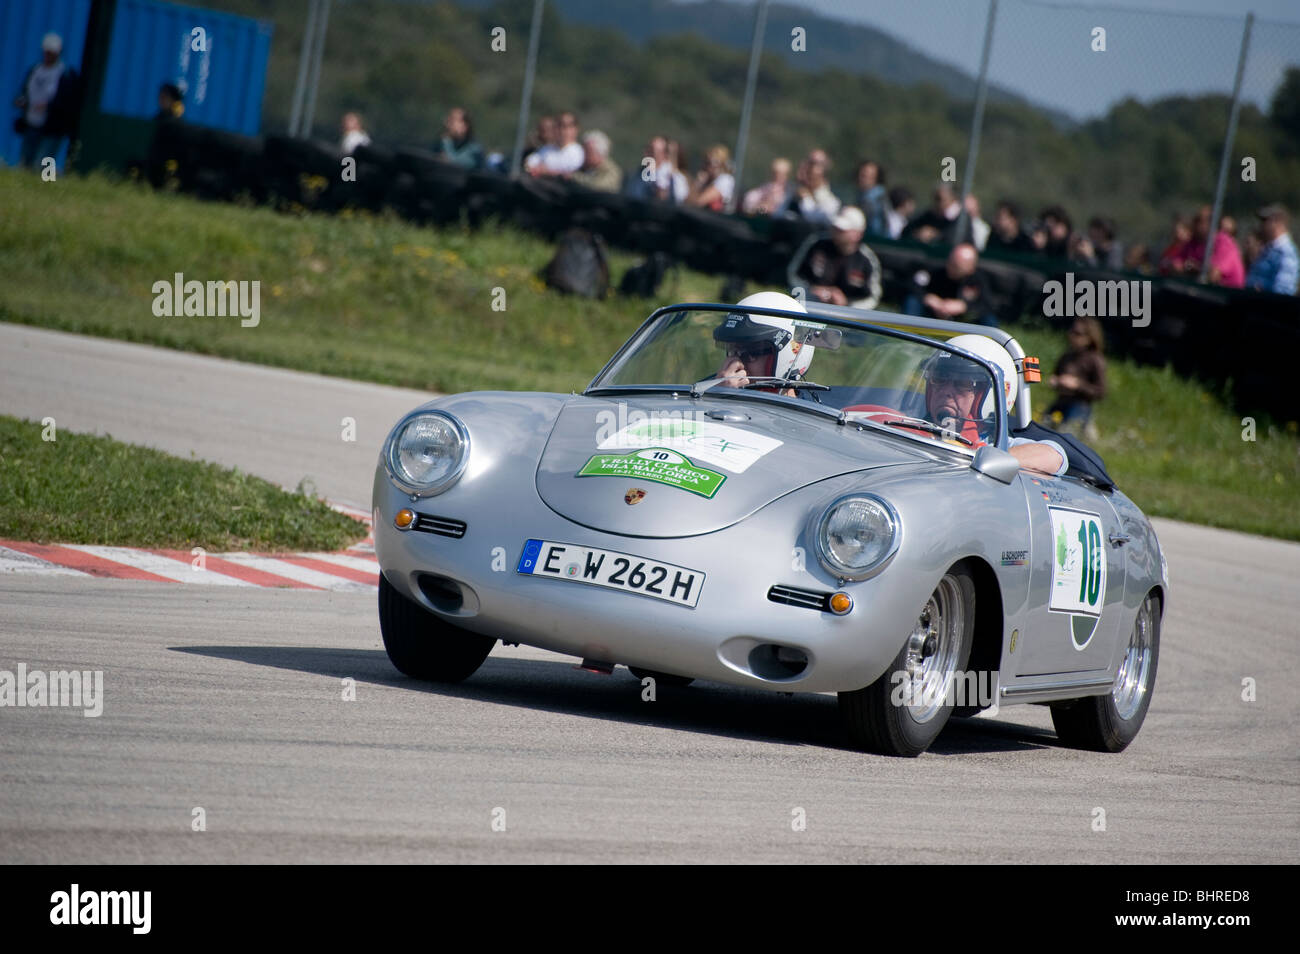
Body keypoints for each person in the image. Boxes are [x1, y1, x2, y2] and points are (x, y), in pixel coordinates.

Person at [922, 335, 1067, 476]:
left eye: (962, 384)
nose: (946, 392)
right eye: (939, 379)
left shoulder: (996, 444)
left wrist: (979, 455)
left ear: (989, 396)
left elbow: (1055, 456)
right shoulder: (912, 426)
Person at [711, 292, 814, 397]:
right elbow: (697, 414)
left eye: (751, 352)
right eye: (733, 351)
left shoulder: (800, 413)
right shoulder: (712, 387)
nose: (736, 364)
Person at [12, 32, 80, 170]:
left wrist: (49, 106)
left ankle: (47, 186)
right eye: (47, 52)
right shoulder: (35, 70)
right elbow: (25, 92)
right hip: (32, 123)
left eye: (52, 53)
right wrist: (22, 101)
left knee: (43, 165)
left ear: (58, 53)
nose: (48, 55)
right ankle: (26, 190)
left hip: (53, 128)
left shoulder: (66, 74)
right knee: (25, 164)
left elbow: (70, 103)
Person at [794, 206, 882, 309]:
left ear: (858, 234)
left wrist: (846, 303)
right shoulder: (817, 244)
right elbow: (795, 275)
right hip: (809, 307)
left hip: (846, 318)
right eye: (835, 227)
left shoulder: (867, 260)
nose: (836, 231)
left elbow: (872, 297)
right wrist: (811, 291)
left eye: (842, 230)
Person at [904, 243, 996, 327]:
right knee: (913, 300)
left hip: (963, 319)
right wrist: (928, 298)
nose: (952, 268)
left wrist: (964, 306)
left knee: (987, 318)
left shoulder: (978, 279)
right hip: (933, 312)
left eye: (957, 267)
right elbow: (913, 285)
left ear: (971, 268)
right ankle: (908, 328)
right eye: (951, 262)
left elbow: (987, 305)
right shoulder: (935, 272)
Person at [1045, 317, 1106, 441]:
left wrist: (1077, 385)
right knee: (1043, 427)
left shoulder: (1095, 359)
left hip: (1079, 405)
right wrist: (1056, 381)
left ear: (1089, 337)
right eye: (1072, 331)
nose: (1072, 336)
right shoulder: (1066, 356)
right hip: (1061, 402)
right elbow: (1056, 375)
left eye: (1078, 333)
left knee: (1066, 435)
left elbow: (1101, 391)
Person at [1184, 204, 1244, 287]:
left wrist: (1193, 268)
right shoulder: (1195, 242)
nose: (1194, 223)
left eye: (1198, 220)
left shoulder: (1224, 242)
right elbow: (1178, 265)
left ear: (1211, 223)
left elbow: (1213, 276)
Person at [1245, 204, 1298, 295]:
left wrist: (1261, 289)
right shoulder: (1268, 249)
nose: (1261, 225)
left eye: (1265, 221)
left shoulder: (1286, 253)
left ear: (1279, 223)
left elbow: (1283, 291)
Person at [783, 149, 840, 224]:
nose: (805, 168)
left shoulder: (832, 199)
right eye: (807, 162)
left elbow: (814, 218)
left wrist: (805, 198)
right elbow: (778, 214)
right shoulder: (794, 192)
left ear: (824, 170)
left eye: (813, 164)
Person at [526, 111, 582, 176]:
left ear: (576, 129)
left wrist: (545, 171)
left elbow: (570, 173)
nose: (562, 130)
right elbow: (529, 164)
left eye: (567, 126)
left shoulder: (579, 152)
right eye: (559, 125)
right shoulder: (546, 149)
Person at [687, 144, 735, 211]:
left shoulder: (725, 180)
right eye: (705, 162)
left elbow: (698, 202)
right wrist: (697, 183)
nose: (706, 166)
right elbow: (687, 198)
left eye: (709, 163)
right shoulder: (706, 179)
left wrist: (698, 184)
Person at [854, 160, 890, 236]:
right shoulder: (861, 196)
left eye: (865, 176)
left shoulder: (877, 199)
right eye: (860, 175)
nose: (861, 178)